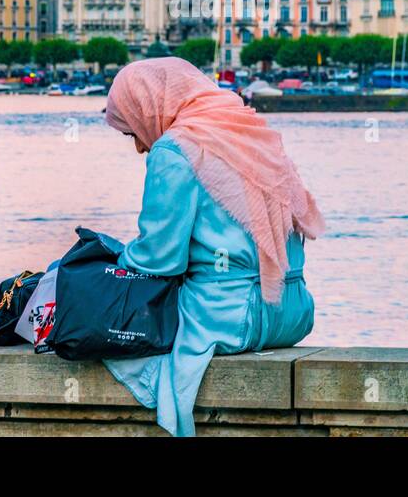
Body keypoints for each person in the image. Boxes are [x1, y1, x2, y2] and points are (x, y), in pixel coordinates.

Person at [101, 57, 324, 436]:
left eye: (132, 132)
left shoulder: (174, 150)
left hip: (228, 317)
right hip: (292, 311)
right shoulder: (245, 126)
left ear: (151, 108)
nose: (140, 146)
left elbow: (161, 258)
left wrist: (113, 263)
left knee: (101, 333)